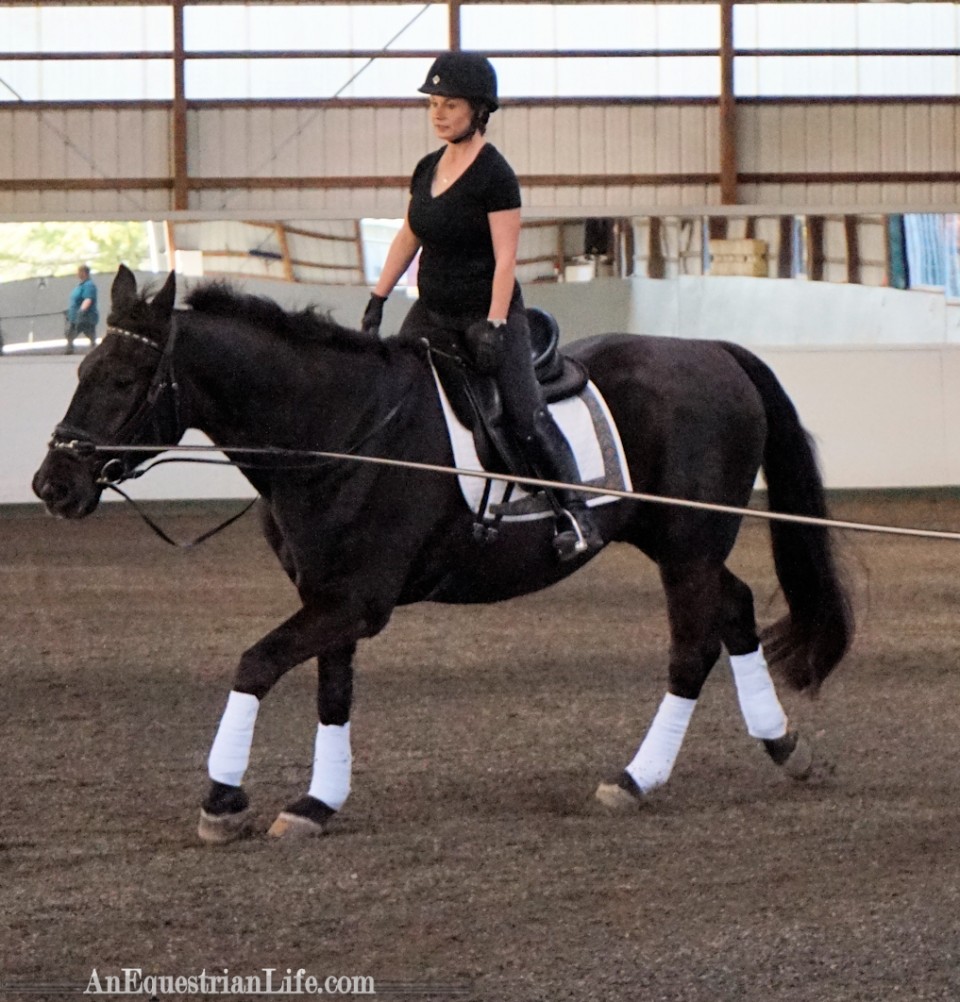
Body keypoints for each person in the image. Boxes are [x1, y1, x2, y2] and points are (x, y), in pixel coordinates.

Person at [360, 51, 599, 561]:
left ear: (478, 110)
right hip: (433, 311)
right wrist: (378, 296)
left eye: (450, 105)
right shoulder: (427, 168)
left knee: (523, 414)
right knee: (395, 392)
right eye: (433, 104)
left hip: (488, 312)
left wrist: (494, 322)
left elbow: (506, 256)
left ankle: (576, 513)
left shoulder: (495, 174)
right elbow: (409, 235)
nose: (438, 113)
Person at [66, 264, 99, 353]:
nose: (77, 274)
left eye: (78, 272)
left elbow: (88, 299)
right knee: (71, 333)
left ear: (83, 273)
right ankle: (70, 348)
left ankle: (93, 349)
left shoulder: (89, 285)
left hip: (85, 316)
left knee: (87, 332)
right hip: (75, 315)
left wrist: (82, 311)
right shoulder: (81, 285)